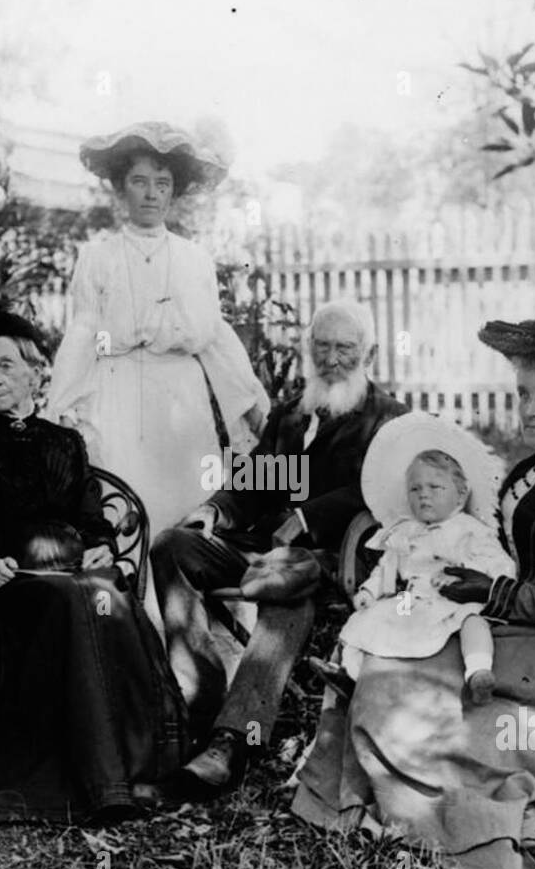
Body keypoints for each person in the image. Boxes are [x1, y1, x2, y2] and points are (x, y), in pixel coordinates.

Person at [292, 314, 535, 869]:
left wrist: (495, 591)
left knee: (393, 689)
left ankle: (451, 819)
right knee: (387, 665)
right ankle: (387, 799)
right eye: (523, 393)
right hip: (511, 623)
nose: (528, 409)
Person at [0, 307, 188, 822]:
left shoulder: (64, 443)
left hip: (73, 569)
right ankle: (98, 784)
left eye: (6, 365)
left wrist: (99, 544)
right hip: (14, 584)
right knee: (81, 597)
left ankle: (140, 767)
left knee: (108, 587)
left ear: (34, 372)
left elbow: (90, 515)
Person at [151, 299, 409, 795]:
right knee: (173, 547)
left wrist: (307, 516)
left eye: (346, 349)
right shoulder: (292, 414)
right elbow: (258, 483)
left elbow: (379, 492)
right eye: (324, 346)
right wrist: (217, 510)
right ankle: (200, 701)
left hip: (331, 557)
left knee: (285, 584)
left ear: (369, 354)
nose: (332, 359)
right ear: (309, 349)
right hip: (260, 549)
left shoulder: (388, 421)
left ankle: (231, 743)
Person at [45, 120, 269, 535]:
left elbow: (214, 337)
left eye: (162, 184)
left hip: (181, 400)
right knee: (125, 503)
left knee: (186, 505)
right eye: (139, 181)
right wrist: (59, 406)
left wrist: (249, 398)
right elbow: (82, 336)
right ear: (120, 187)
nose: (151, 194)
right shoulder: (98, 257)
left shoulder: (194, 259)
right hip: (119, 392)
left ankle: (182, 595)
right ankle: (130, 597)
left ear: (174, 191)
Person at [332, 414, 515, 703]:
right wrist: (369, 590)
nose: (423, 496)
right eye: (415, 489)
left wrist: (463, 572)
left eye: (435, 488)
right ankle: (349, 671)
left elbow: (499, 565)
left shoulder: (470, 530)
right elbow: (386, 567)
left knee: (473, 620)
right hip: (412, 598)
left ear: (460, 495)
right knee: (373, 618)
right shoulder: (406, 532)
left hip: (453, 600)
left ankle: (478, 670)